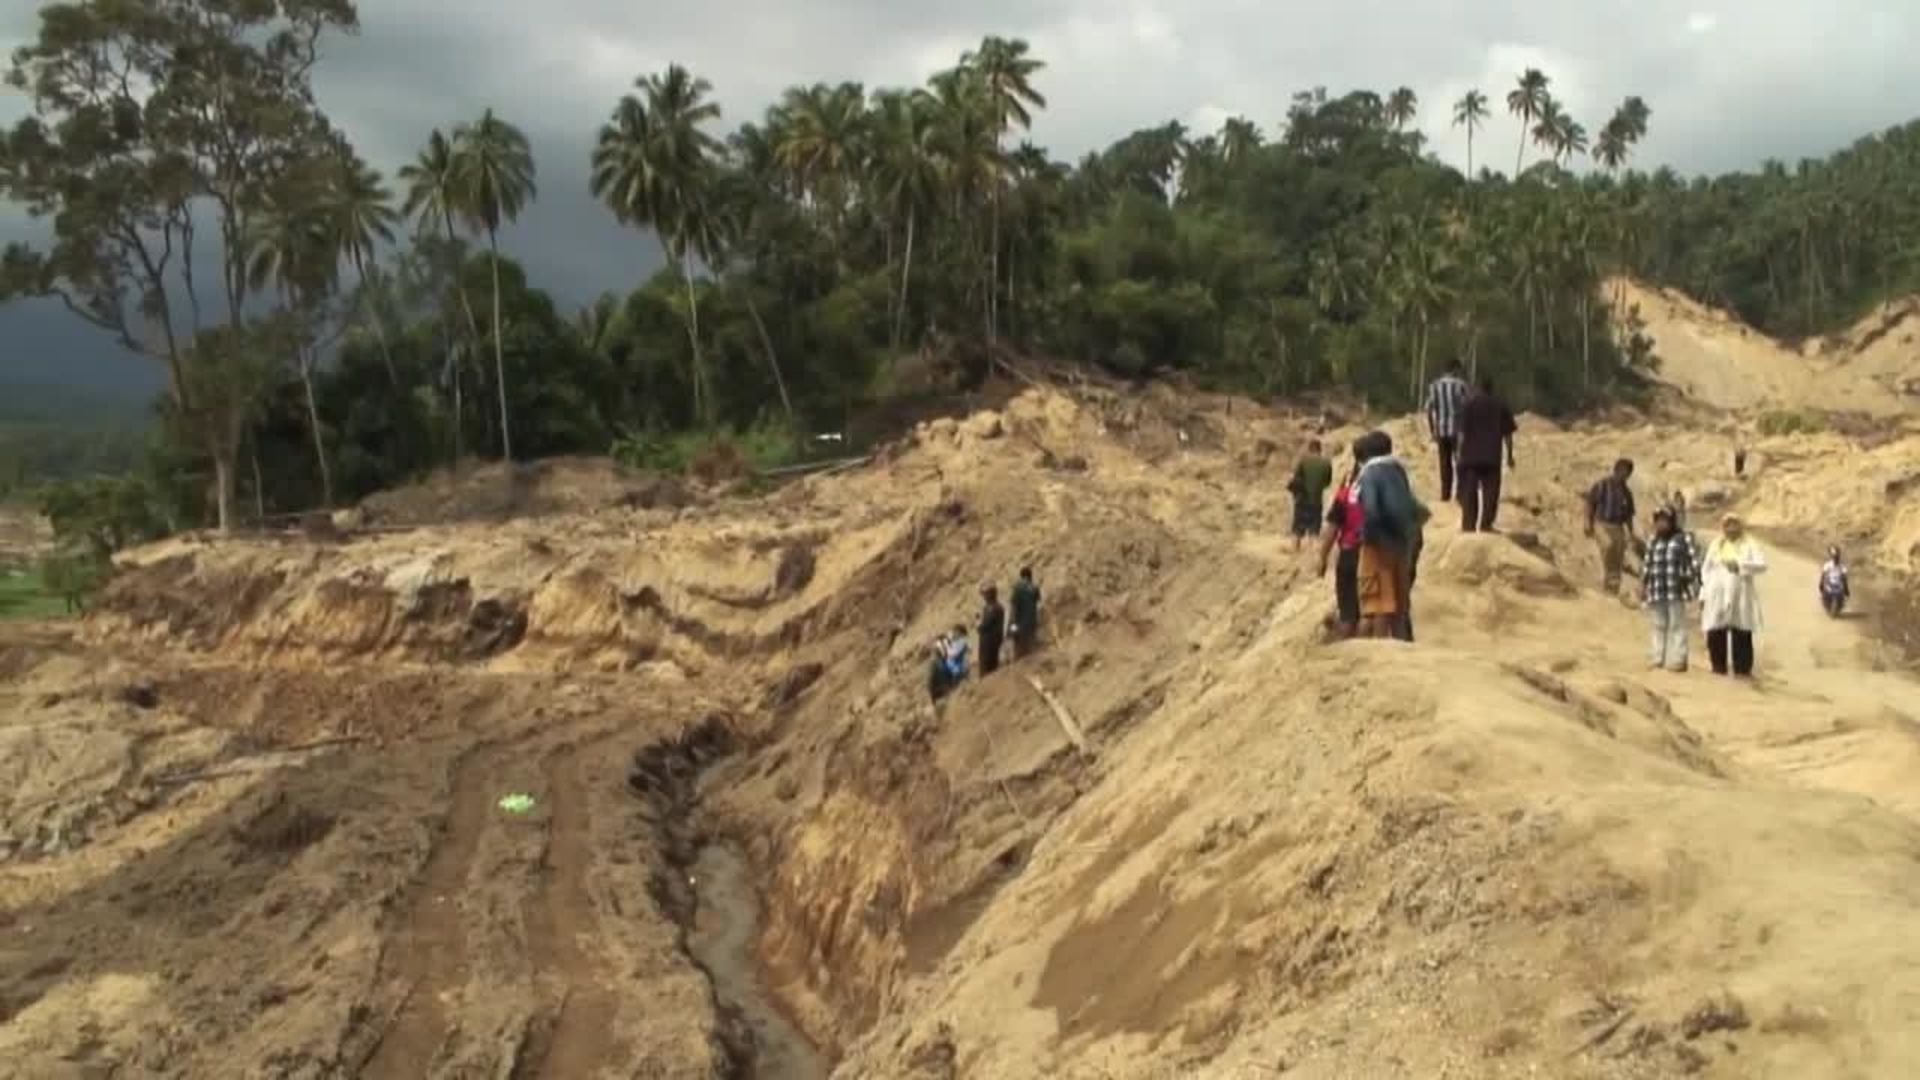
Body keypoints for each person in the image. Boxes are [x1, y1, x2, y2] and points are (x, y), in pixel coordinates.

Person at [1353, 431, 1420, 639]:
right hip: (1402, 540)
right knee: (1399, 601)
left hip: (1378, 542)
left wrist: (1366, 535)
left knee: (1379, 600)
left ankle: (1379, 646)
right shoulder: (1398, 470)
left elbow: (1371, 510)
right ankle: (1400, 644)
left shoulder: (1370, 473)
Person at [1701, 515, 1766, 677]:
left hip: (1740, 591)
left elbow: (1761, 565)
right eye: (1727, 525)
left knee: (1741, 631)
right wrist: (1703, 593)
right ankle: (1718, 667)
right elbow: (1706, 570)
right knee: (1716, 629)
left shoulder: (1749, 544)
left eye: (1734, 525)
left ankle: (1742, 670)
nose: (1730, 529)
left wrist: (1741, 566)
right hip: (1717, 592)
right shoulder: (1716, 544)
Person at [1641, 507, 1701, 672]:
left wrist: (1688, 577)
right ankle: (1657, 658)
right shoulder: (1653, 540)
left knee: (1677, 625)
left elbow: (1694, 562)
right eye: (1659, 520)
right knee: (1658, 625)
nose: (1661, 524)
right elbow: (1647, 565)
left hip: (1676, 589)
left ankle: (1679, 659)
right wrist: (1644, 585)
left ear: (1672, 521)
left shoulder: (1682, 538)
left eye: (1665, 520)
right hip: (1657, 589)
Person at [1455, 376, 1516, 532]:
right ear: (1491, 389)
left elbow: (1461, 433)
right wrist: (1509, 456)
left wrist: (1459, 454)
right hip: (1491, 455)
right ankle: (1486, 524)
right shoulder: (1500, 405)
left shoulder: (1468, 405)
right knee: (1491, 492)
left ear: (1478, 388)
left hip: (1470, 455)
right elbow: (1508, 435)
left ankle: (1468, 524)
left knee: (1469, 492)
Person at [1318, 465, 1365, 638]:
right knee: (1370, 611)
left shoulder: (1344, 495)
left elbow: (1332, 529)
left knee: (1348, 611)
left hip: (1349, 553)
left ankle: (1345, 642)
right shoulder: (1381, 494)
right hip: (1374, 555)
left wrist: (1322, 558)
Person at [1584, 459, 1639, 594]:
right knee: (1608, 546)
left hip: (1618, 527)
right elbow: (1590, 503)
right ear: (1617, 470)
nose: (1625, 475)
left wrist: (1631, 532)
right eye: (1623, 472)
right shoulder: (1602, 485)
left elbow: (1629, 515)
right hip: (1602, 523)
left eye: (1628, 473)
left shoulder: (1627, 493)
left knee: (1619, 554)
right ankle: (1606, 578)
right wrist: (1587, 522)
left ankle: (1613, 588)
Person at [1422, 364, 1471, 501]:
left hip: (1441, 430)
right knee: (1460, 461)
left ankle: (1445, 494)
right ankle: (1460, 493)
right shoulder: (1460, 385)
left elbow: (1428, 409)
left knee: (1444, 463)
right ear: (1456, 370)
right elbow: (1468, 406)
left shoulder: (1434, 386)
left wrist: (1432, 429)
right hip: (1458, 430)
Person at [1288, 439, 1335, 550]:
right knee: (1314, 530)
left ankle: (1294, 552)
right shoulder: (1326, 463)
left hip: (1302, 499)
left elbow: (1296, 480)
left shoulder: (1303, 461)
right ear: (1320, 449)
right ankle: (1312, 553)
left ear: (1310, 449)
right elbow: (1327, 483)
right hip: (1316, 501)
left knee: (1297, 529)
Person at [1009, 567, 1041, 658]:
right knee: (1030, 642)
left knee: (1017, 642)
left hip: (1019, 621)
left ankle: (1019, 658)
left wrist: (1011, 623)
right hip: (1032, 620)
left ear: (1021, 576)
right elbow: (1038, 601)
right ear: (1030, 576)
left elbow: (1013, 605)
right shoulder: (1035, 587)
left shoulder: (1017, 587)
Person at [977, 585, 1006, 674]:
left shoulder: (993, 608)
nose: (984, 597)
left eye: (986, 594)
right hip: (991, 640)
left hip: (989, 641)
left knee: (987, 666)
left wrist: (978, 624)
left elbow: (986, 625)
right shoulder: (994, 607)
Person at [1819, 546, 1850, 618]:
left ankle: (1840, 605)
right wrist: (1821, 583)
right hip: (1830, 583)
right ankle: (1826, 603)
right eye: (1834, 556)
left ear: (1839, 557)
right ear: (1831, 557)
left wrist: (1846, 589)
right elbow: (1823, 574)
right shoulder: (1827, 565)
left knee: (1843, 596)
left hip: (1838, 584)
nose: (1835, 558)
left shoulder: (1842, 567)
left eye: (1836, 556)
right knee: (1824, 593)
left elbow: (1844, 578)